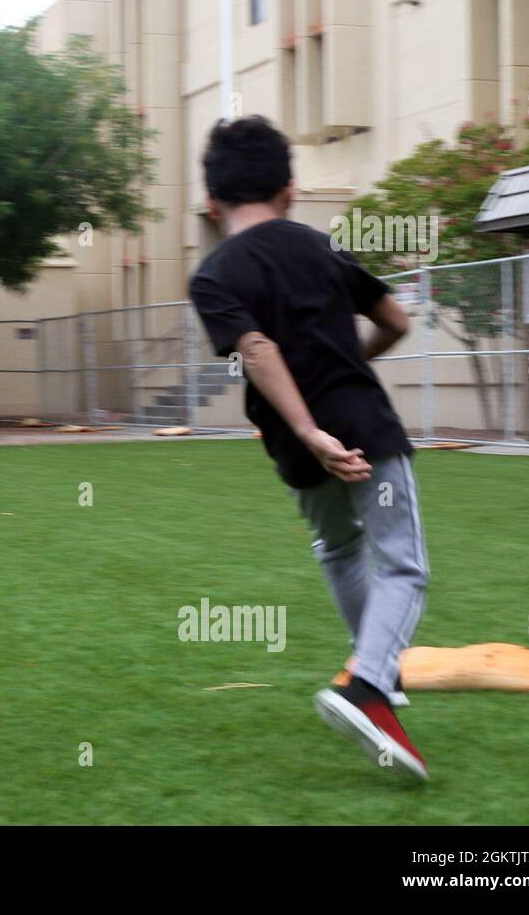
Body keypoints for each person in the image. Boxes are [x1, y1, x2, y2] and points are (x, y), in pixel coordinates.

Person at [188, 116, 429, 780]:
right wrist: (346, 381)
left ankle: (370, 663)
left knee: (340, 546)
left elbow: (256, 347)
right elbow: (396, 319)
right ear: (290, 190)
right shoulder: (323, 247)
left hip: (291, 443)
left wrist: (305, 432)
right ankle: (368, 689)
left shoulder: (211, 274)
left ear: (212, 202)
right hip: (360, 425)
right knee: (403, 566)